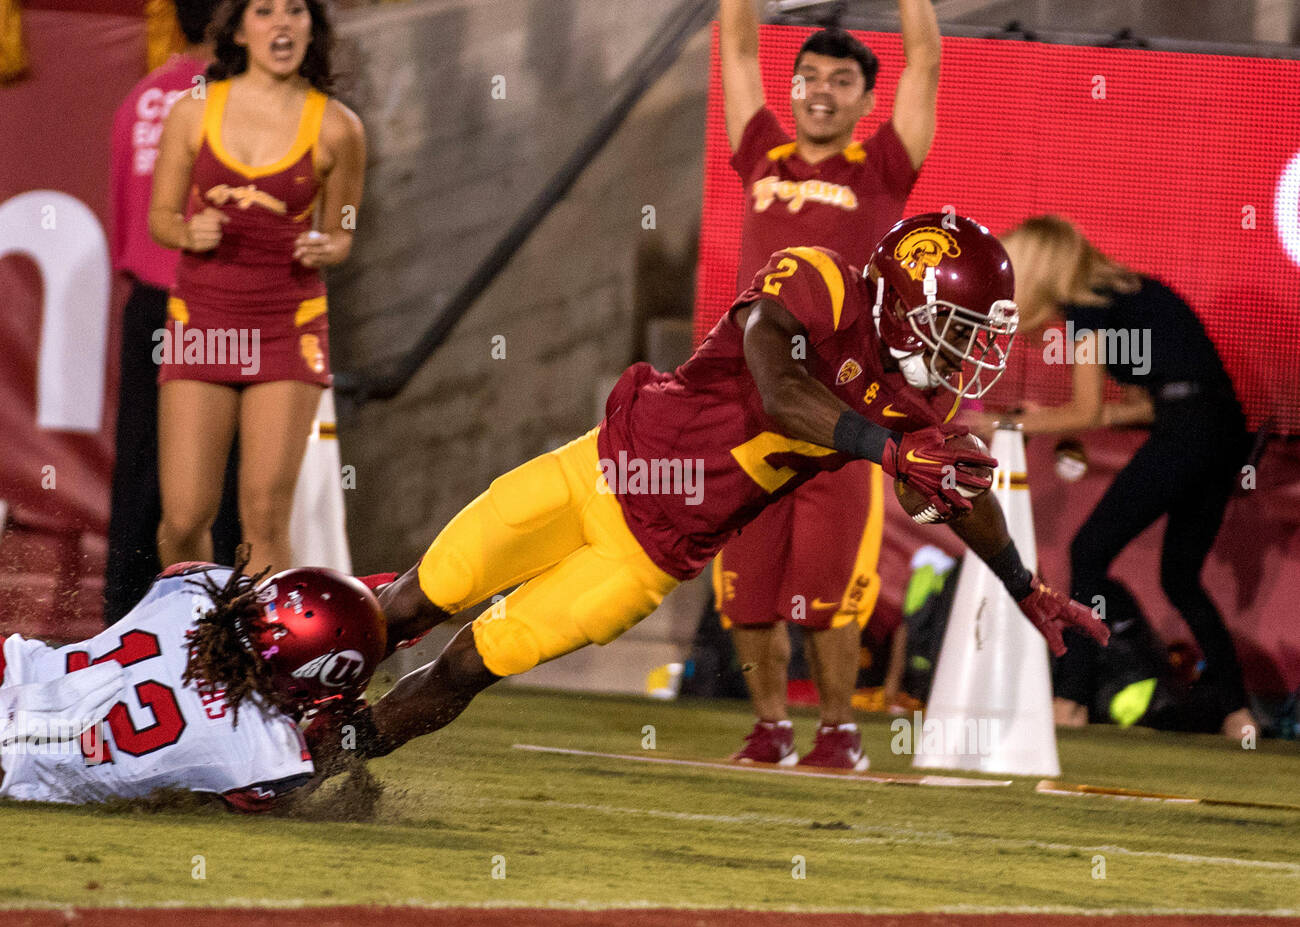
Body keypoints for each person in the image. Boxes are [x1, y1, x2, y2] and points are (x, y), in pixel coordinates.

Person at [306, 214, 1109, 776]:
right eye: (959, 325)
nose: (968, 349)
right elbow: (781, 386)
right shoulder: (820, 282)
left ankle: (324, 764)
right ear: (905, 302)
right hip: (596, 470)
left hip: (647, 559)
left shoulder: (919, 406)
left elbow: (962, 494)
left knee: (470, 666)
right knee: (420, 598)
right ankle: (271, 688)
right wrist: (890, 450)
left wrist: (1023, 584)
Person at [717, 0, 940, 768]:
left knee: (826, 590)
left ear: (866, 102)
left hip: (839, 412)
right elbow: (739, 51)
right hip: (747, 410)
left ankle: (840, 734)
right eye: (808, 77)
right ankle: (770, 727)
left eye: (841, 81)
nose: (820, 91)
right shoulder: (761, 158)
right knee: (745, 593)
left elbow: (926, 64)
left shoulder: (881, 169)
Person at [980, 215, 1254, 738]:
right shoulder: (1130, 294)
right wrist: (1035, 416)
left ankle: (1071, 699)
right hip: (1220, 431)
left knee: (1088, 552)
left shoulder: (1089, 308)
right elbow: (1146, 404)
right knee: (1179, 576)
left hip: (1191, 432)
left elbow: (1084, 412)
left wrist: (1004, 422)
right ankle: (1239, 714)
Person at [148, 0, 366, 576]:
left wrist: (330, 245)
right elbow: (161, 218)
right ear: (239, 31)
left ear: (311, 28)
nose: (282, 24)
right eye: (265, 11)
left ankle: (258, 661)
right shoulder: (192, 113)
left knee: (265, 517)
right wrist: (188, 230)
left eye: (296, 10)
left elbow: (343, 231)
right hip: (205, 320)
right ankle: (194, 641)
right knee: (184, 516)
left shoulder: (339, 127)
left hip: (286, 324)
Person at [0, 553, 386, 809]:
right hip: (22, 760)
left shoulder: (199, 591)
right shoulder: (263, 751)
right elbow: (275, 798)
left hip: (14, 665)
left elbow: (179, 575)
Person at [107, 0, 243, 626]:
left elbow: (121, 211)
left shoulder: (142, 95)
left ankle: (124, 622)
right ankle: (229, 626)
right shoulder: (233, 100)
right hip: (210, 301)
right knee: (229, 477)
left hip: (147, 303)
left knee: (138, 468)